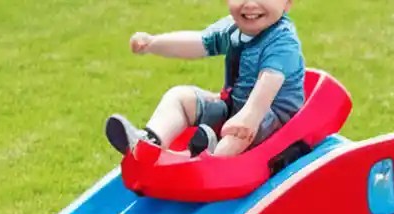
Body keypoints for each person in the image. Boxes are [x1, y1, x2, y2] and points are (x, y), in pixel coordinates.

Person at [104, 0, 305, 159]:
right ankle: (148, 143)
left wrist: (249, 117)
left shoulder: (282, 40)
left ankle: (211, 159)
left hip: (270, 118)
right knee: (180, 96)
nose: (250, 4)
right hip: (234, 106)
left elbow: (269, 81)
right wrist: (153, 43)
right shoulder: (233, 29)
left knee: (238, 134)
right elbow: (198, 43)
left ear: (287, 3)